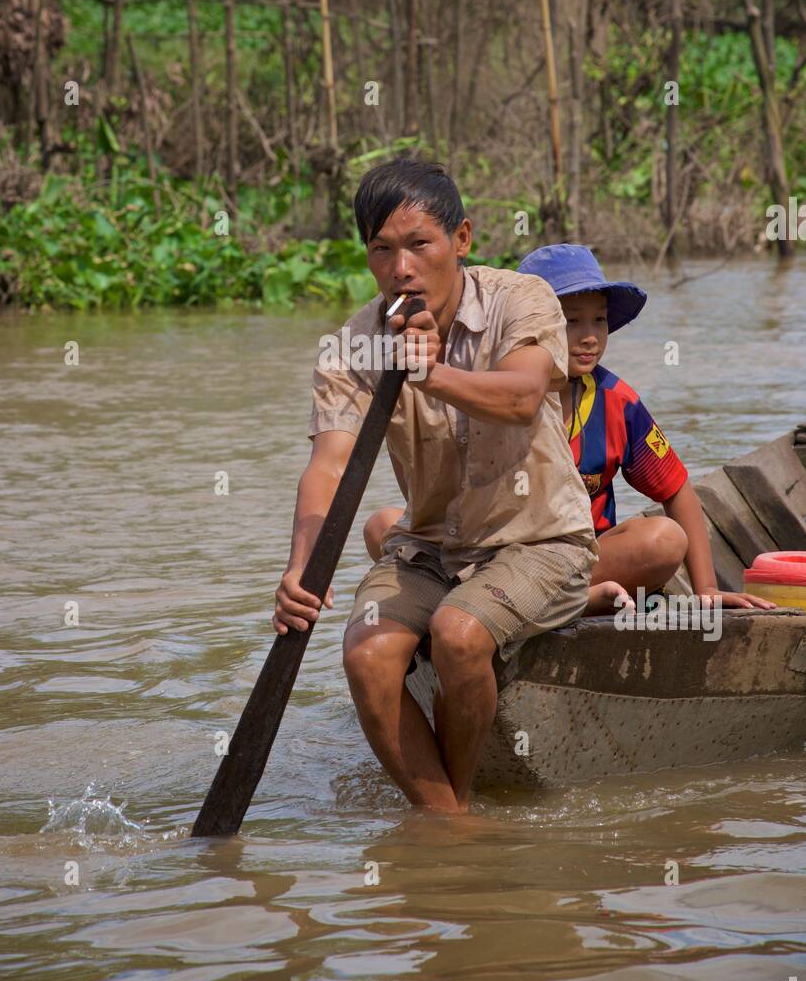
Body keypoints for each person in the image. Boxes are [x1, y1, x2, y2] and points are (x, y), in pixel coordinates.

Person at [273, 160, 598, 814]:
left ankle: (455, 809)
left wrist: (431, 374)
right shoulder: (353, 345)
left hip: (539, 542)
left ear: (462, 239)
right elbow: (329, 466)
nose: (401, 268)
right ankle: (447, 822)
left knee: (456, 634)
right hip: (427, 548)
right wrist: (300, 570)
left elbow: (522, 395)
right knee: (365, 655)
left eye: (419, 244)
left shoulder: (520, 298)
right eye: (381, 250)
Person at [369, 242, 772, 616]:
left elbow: (675, 490)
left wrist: (705, 591)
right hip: (482, 554)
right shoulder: (485, 389)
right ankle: (555, 604)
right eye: (569, 321)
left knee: (664, 539)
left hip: (574, 560)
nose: (589, 336)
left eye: (598, 319)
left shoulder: (617, 401)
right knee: (381, 526)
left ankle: (553, 599)